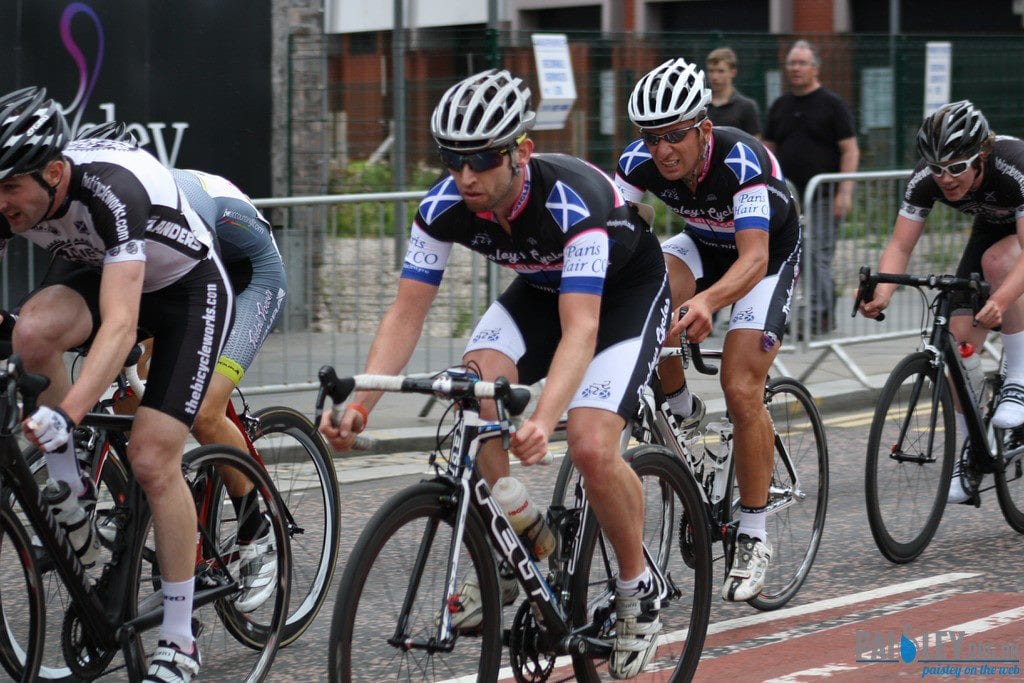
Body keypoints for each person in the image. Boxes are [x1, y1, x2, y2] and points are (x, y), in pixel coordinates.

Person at [318, 69, 671, 679]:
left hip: (620, 299)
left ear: (521, 152)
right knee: (472, 387)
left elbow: (581, 328)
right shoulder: (444, 205)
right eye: (453, 160)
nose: (466, 176)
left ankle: (639, 591)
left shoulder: (574, 202)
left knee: (588, 444)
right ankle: (521, 536)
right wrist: (362, 404)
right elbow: (406, 314)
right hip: (540, 291)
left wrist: (542, 418)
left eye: (482, 159)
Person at [0, 86, 234, 682]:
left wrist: (67, 413)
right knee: (32, 331)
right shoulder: (21, 195)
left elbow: (123, 322)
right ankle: (71, 495)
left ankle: (180, 639)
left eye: (9, 189)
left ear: (54, 173)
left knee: (153, 459)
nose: (1, 202)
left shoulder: (113, 189)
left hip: (185, 292)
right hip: (100, 269)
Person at [76, 121, 289, 611]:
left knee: (204, 409)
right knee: (133, 397)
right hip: (177, 281)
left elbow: (189, 292)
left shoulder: (168, 197)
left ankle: (260, 532)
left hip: (245, 276)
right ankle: (150, 507)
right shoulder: (100, 215)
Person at [614, 58, 801, 602]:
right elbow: (615, 251)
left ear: (702, 129)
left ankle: (754, 532)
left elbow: (754, 257)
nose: (662, 151)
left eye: (674, 136)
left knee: (741, 390)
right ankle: (684, 419)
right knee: (648, 294)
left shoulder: (742, 160)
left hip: (763, 258)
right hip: (702, 243)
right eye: (651, 138)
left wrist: (708, 302)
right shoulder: (638, 163)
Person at [859, 100, 1024, 504]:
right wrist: (883, 292)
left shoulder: (1013, 166)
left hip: (1015, 232)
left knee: (999, 263)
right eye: (936, 168)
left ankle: (1019, 378)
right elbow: (900, 244)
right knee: (957, 340)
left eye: (956, 167)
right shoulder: (926, 179)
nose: (945, 178)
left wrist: (1001, 300)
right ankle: (969, 455)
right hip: (993, 225)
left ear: (981, 155)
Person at [764, 39, 859, 335]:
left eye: (801, 63)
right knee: (792, 255)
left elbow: (850, 149)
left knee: (818, 254)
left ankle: (819, 315)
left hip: (822, 196)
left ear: (815, 68)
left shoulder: (832, 104)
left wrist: (845, 192)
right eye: (791, 63)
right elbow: (767, 148)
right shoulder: (780, 106)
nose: (795, 68)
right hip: (789, 199)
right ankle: (795, 313)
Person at [705, 47, 761, 137]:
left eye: (721, 71)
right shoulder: (701, 104)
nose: (715, 77)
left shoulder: (746, 106)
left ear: (733, 72)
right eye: (711, 71)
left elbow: (754, 143)